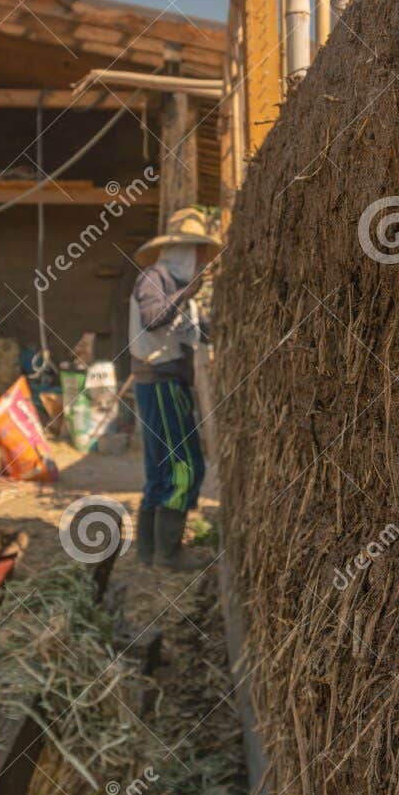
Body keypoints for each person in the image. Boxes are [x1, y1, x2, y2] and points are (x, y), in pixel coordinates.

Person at [128, 206, 220, 571]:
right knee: (185, 467)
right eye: (196, 250)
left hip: (164, 380)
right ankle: (169, 554)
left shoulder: (176, 285)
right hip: (161, 380)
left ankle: (149, 553)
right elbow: (153, 319)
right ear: (181, 250)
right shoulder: (157, 278)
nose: (200, 258)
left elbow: (195, 330)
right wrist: (187, 294)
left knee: (159, 469)